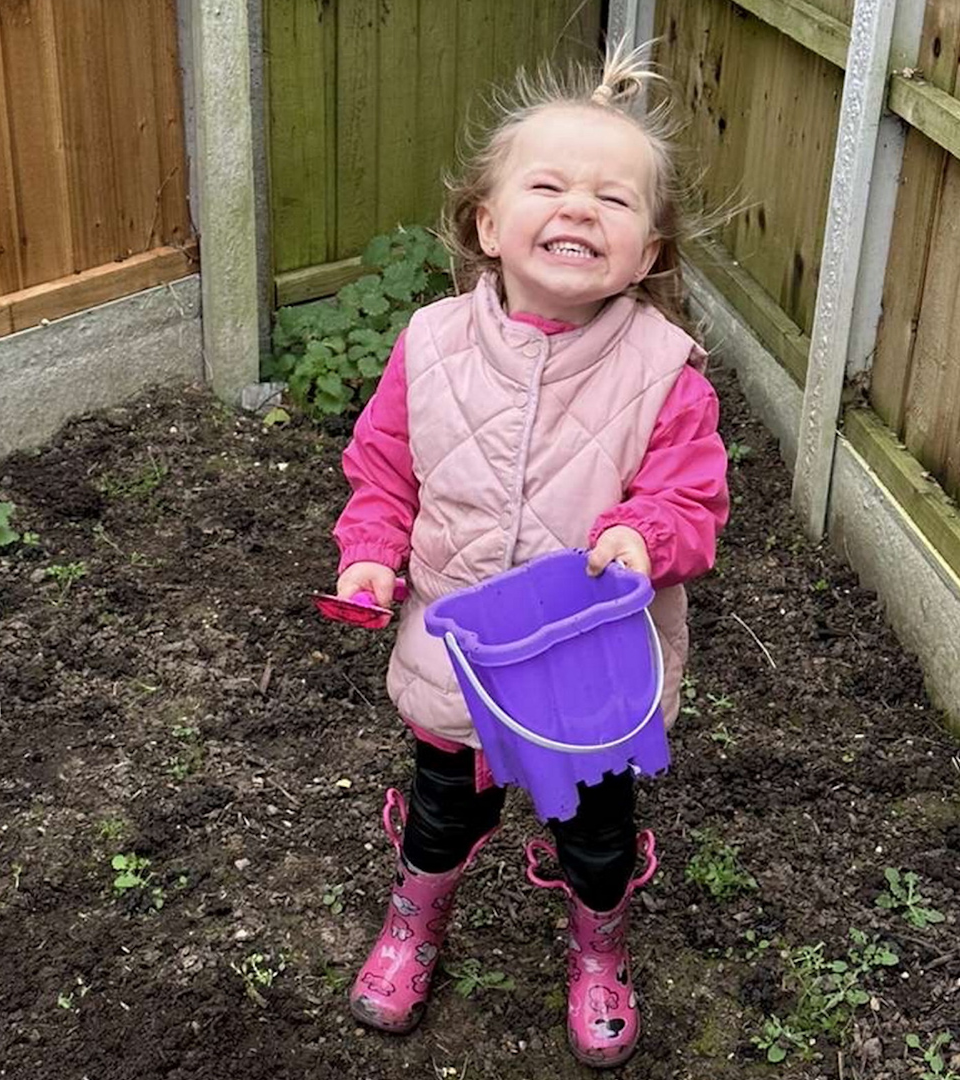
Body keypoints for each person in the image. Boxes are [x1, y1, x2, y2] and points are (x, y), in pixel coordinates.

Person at [329, 42, 729, 1068]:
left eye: (614, 199)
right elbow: (384, 472)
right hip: (457, 651)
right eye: (548, 186)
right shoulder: (428, 347)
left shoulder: (664, 373)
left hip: (587, 673)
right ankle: (416, 919)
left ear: (647, 253)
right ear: (488, 224)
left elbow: (694, 500)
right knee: (443, 805)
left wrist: (646, 536)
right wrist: (371, 556)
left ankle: (600, 946)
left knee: (596, 827)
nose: (579, 209)